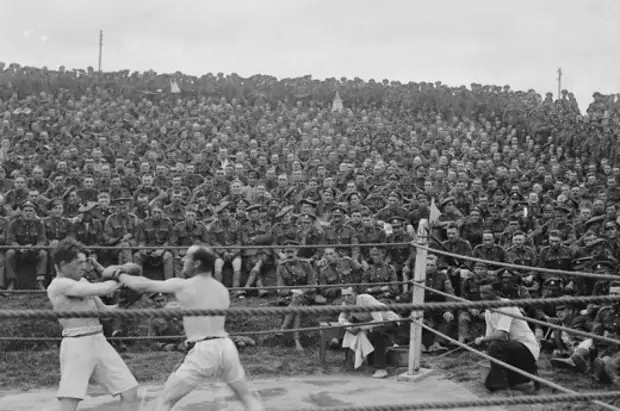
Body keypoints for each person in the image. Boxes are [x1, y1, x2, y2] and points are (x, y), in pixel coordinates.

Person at [110, 244, 263, 411]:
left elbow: (143, 285)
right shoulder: (222, 289)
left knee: (165, 402)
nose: (181, 259)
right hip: (226, 347)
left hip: (204, 350)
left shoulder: (184, 285)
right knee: (247, 398)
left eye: (187, 257)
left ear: (196, 263)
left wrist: (119, 274)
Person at [45, 237, 140, 411]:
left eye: (84, 262)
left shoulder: (82, 281)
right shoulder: (58, 285)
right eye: (79, 263)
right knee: (69, 401)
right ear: (63, 264)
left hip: (98, 340)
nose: (83, 267)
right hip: (77, 344)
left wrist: (124, 304)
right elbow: (104, 289)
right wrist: (124, 276)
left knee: (130, 392)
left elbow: (104, 311)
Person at [474, 282, 540, 392]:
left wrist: (481, 339)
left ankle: (503, 388)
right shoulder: (488, 311)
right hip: (509, 349)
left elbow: (501, 334)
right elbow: (489, 336)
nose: (482, 296)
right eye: (481, 292)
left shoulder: (507, 305)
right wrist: (484, 341)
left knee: (495, 347)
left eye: (486, 293)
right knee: (489, 385)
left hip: (526, 348)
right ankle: (528, 376)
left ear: (496, 292)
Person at [338, 286, 402, 379]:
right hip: (370, 324)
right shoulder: (345, 304)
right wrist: (348, 326)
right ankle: (366, 363)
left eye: (349, 295)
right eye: (343, 296)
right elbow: (341, 318)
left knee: (377, 333)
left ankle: (381, 369)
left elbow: (379, 321)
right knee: (361, 332)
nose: (346, 298)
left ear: (356, 295)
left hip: (388, 320)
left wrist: (360, 327)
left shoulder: (366, 300)